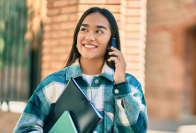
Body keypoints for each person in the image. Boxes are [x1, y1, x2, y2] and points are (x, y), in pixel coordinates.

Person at [14, 7, 148, 133]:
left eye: (99, 31)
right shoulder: (53, 83)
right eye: (84, 29)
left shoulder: (130, 86)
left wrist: (121, 86)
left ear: (111, 43)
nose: (89, 37)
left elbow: (136, 130)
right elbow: (25, 128)